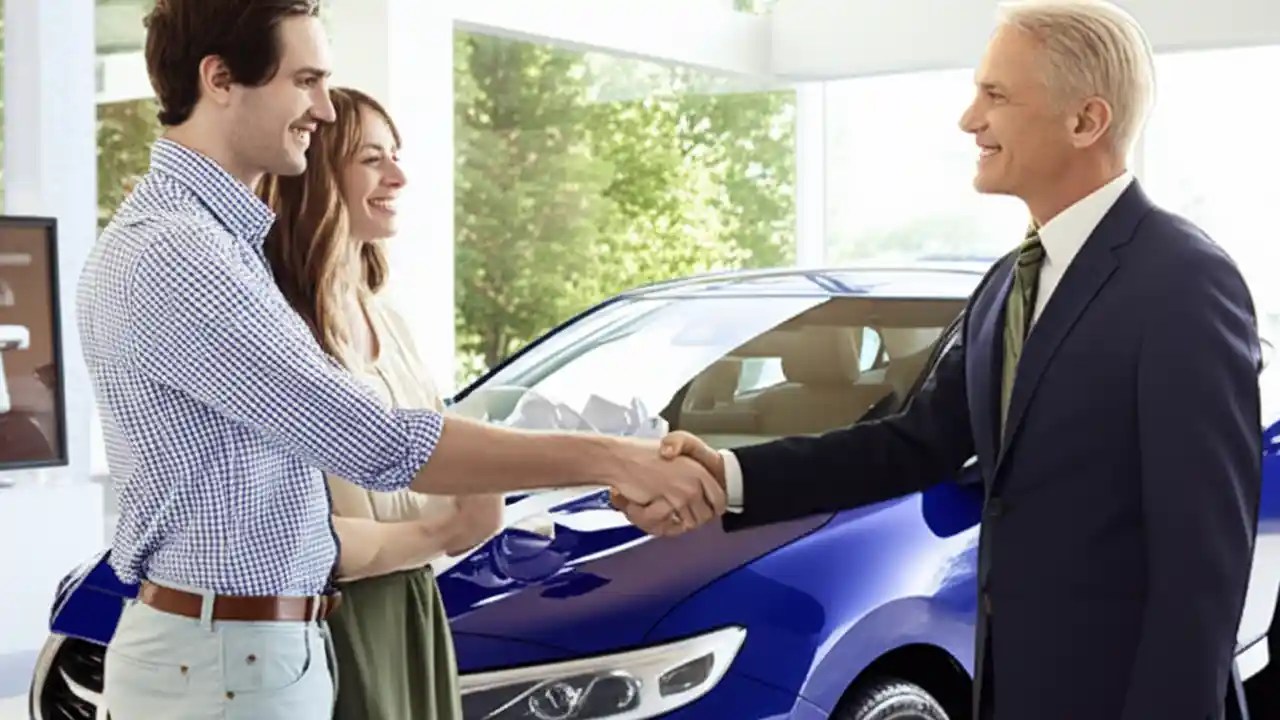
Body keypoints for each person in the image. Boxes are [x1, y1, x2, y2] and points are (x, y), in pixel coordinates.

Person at [77, 2, 723, 718]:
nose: (323, 109)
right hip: (226, 662)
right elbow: (378, 442)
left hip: (248, 651)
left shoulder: (218, 245)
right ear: (220, 79)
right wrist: (616, 460)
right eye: (305, 80)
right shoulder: (181, 253)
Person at [634, 1, 1263, 718]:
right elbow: (914, 444)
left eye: (996, 95)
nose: (969, 120)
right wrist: (728, 475)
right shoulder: (1005, 285)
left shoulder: (1185, 282)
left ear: (1086, 121)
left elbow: (1203, 563)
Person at [258, 86, 493, 720]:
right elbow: (305, 531)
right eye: (371, 159)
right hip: (331, 621)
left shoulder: (387, 320)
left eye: (396, 155)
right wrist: (446, 528)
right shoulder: (279, 325)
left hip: (412, 602)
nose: (398, 176)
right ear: (316, 174)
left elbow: (434, 464)